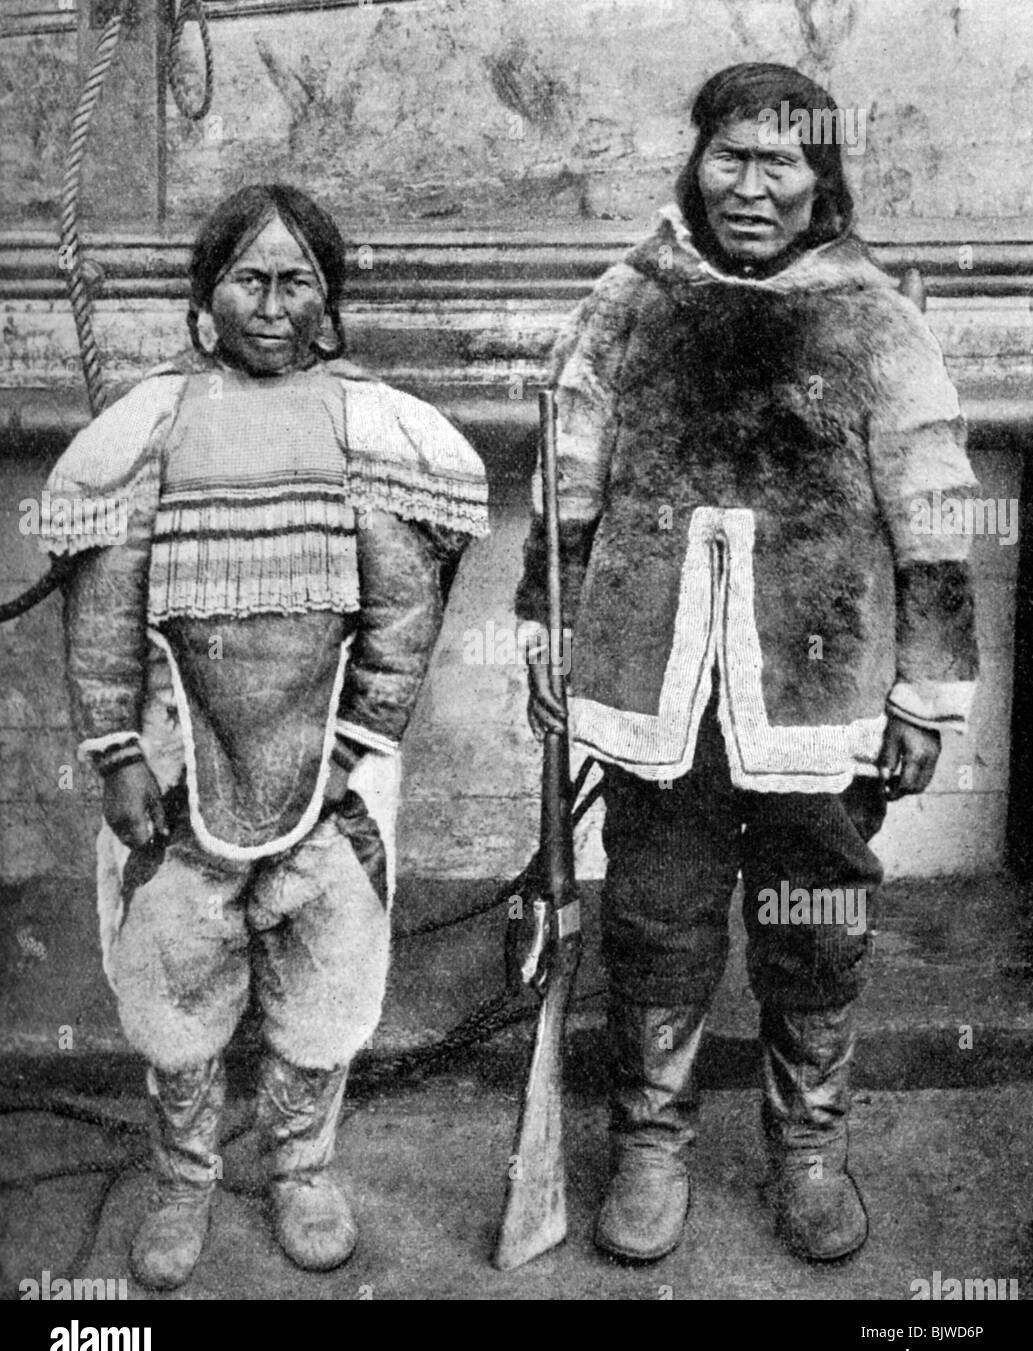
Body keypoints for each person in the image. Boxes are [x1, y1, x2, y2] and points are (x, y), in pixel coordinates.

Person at [516, 63, 978, 1264]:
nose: (752, 186)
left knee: (812, 914)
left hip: (819, 696)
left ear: (822, 180)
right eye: (732, 155)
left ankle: (810, 1146)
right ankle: (651, 1142)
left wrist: (925, 690)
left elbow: (932, 509)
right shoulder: (628, 303)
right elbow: (565, 483)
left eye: (782, 162)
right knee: (659, 916)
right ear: (695, 161)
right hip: (650, 681)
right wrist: (543, 632)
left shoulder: (872, 317)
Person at [39, 184, 488, 1289]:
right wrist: (117, 752)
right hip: (181, 758)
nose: (273, 305)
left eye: (297, 282)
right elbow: (102, 614)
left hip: (331, 763)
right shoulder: (150, 424)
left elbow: (400, 613)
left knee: (327, 969)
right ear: (208, 295)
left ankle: (302, 1167)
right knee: (174, 974)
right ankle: (185, 1177)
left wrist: (353, 747)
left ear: (328, 297)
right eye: (250, 279)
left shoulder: (367, 426)